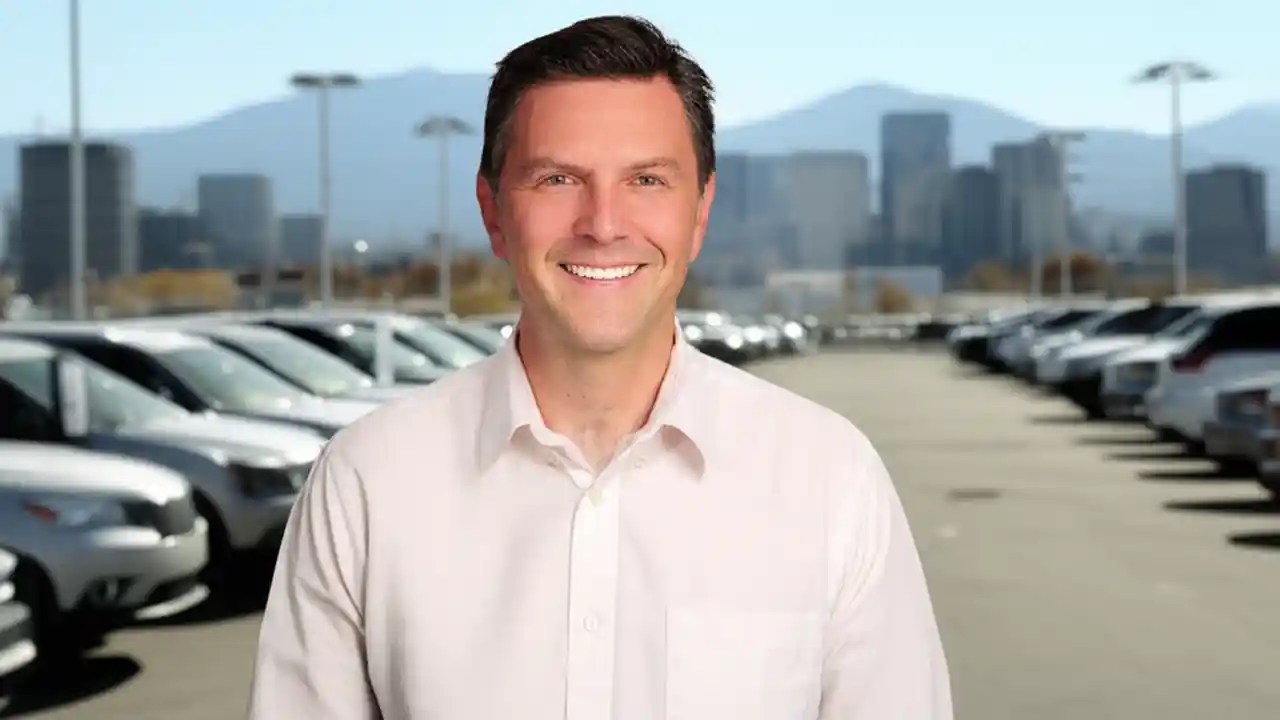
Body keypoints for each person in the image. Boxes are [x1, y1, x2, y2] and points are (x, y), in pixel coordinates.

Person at [247, 14, 952, 719]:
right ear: (492, 211)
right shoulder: (369, 482)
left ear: (700, 211)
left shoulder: (828, 478)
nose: (604, 224)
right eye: (557, 179)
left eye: (647, 179)